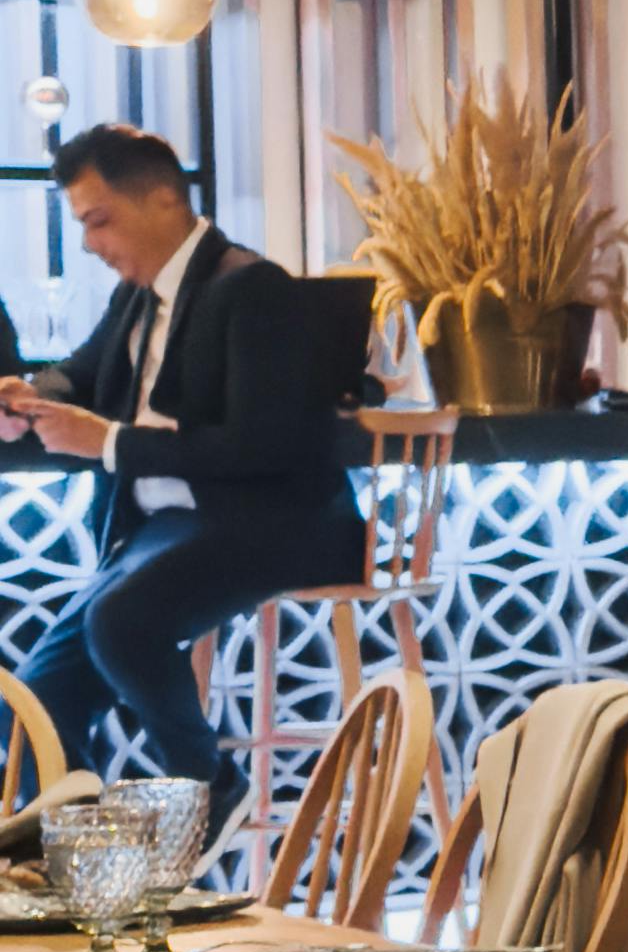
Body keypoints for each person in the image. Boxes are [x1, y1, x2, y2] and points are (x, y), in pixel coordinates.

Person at [3, 121, 375, 778]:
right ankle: (77, 853)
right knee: (32, 700)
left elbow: (261, 447)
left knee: (121, 619)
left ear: (164, 201)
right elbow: (80, 373)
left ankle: (206, 786)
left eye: (100, 222)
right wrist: (27, 398)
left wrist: (111, 442)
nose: (89, 245)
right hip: (168, 531)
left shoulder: (254, 287)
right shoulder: (137, 296)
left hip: (274, 524)